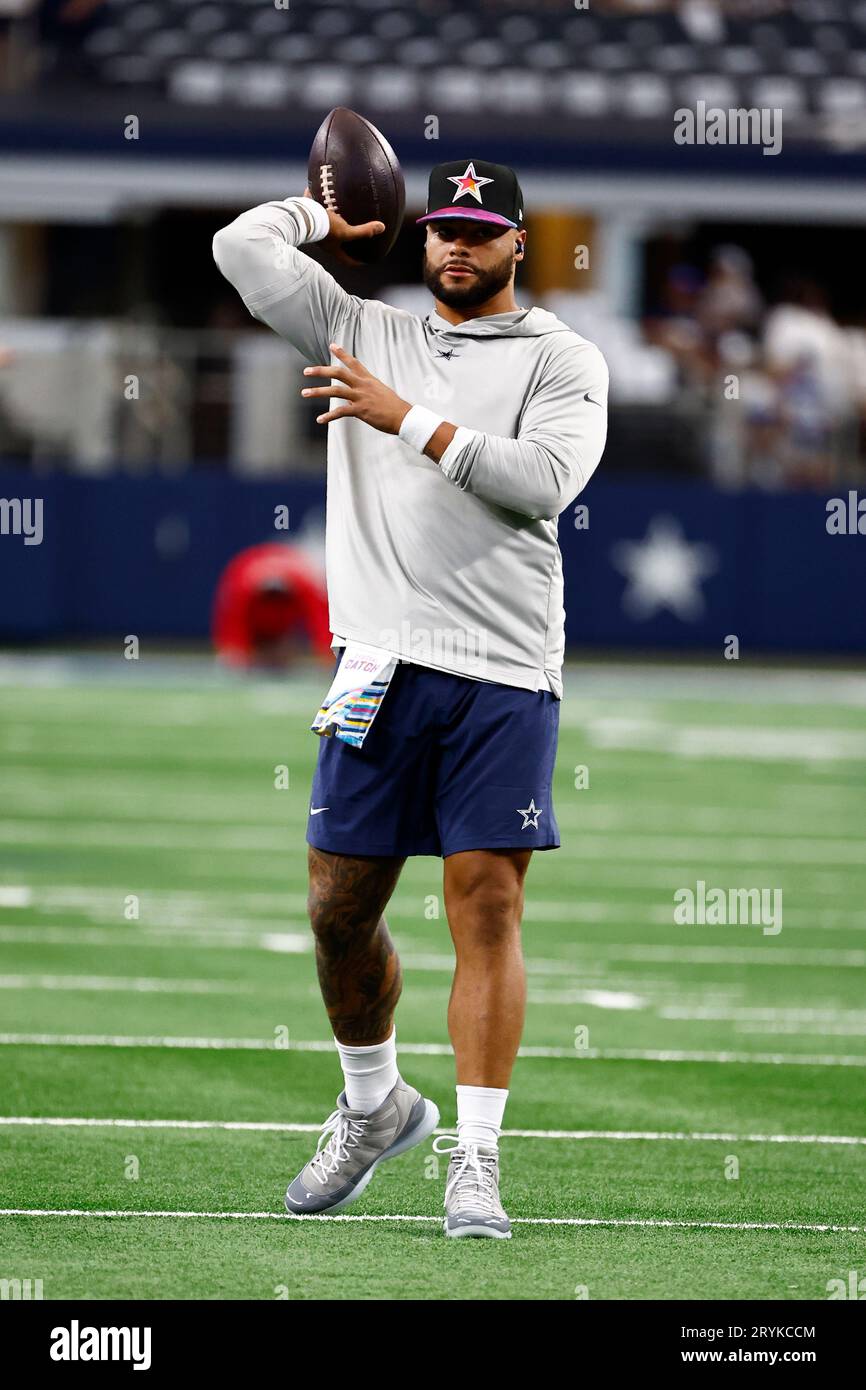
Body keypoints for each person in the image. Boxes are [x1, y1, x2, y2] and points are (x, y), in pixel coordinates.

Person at [213, 157, 608, 1238]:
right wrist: (321, 214)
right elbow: (237, 250)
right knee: (337, 913)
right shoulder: (362, 326)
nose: (457, 246)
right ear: (419, 235)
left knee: (485, 903)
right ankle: (373, 1103)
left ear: (517, 241)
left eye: (479, 231)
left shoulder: (561, 357)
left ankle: (474, 1159)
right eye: (442, 228)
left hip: (503, 666)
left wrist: (406, 418)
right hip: (376, 664)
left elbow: (544, 482)